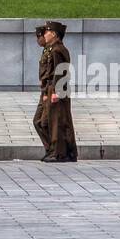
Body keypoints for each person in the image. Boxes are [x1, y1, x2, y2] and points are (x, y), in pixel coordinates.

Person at [42, 21, 77, 163]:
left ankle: (59, 153)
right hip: (55, 88)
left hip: (58, 89)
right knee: (58, 121)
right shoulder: (54, 49)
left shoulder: (57, 50)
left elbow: (60, 71)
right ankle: (64, 152)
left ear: (54, 34)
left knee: (58, 122)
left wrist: (56, 91)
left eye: (47, 32)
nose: (45, 34)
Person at [32, 24, 53, 159]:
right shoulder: (46, 51)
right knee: (38, 121)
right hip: (44, 90)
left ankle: (53, 149)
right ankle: (50, 149)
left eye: (39, 37)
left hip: (48, 91)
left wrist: (47, 92)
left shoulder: (53, 51)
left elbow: (53, 74)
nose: (38, 40)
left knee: (43, 122)